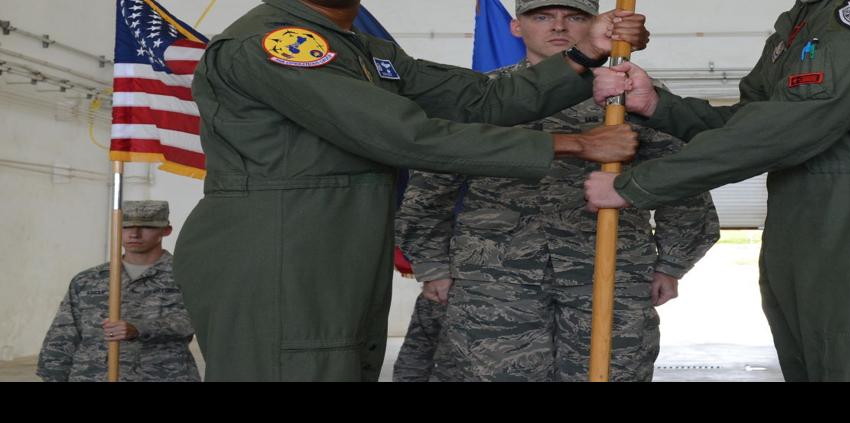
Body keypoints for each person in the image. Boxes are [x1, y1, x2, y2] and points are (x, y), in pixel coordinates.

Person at [174, 0, 648, 381]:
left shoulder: (361, 47)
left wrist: (586, 52)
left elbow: (480, 100)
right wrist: (573, 143)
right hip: (280, 247)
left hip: (335, 242)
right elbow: (402, 135)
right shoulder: (272, 43)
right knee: (295, 364)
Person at [585, 0, 850, 382]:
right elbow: (756, 120)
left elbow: (802, 120)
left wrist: (637, 185)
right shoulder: (806, 17)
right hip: (813, 220)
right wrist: (659, 106)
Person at [394, 0, 720, 383]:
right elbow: (431, 186)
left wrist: (672, 262)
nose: (559, 27)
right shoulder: (483, 96)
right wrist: (431, 264)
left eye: (576, 17)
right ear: (518, 27)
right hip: (493, 277)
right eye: (542, 17)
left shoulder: (626, 91)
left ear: (598, 26)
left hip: (609, 269)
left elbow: (680, 181)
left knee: (612, 374)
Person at [37, 201, 200, 383]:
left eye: (147, 226)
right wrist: (53, 375)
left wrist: (139, 328)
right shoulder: (88, 280)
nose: (134, 234)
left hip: (164, 374)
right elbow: (63, 333)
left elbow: (196, 321)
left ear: (166, 230)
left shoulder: (186, 277)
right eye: (126, 226)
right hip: (93, 375)